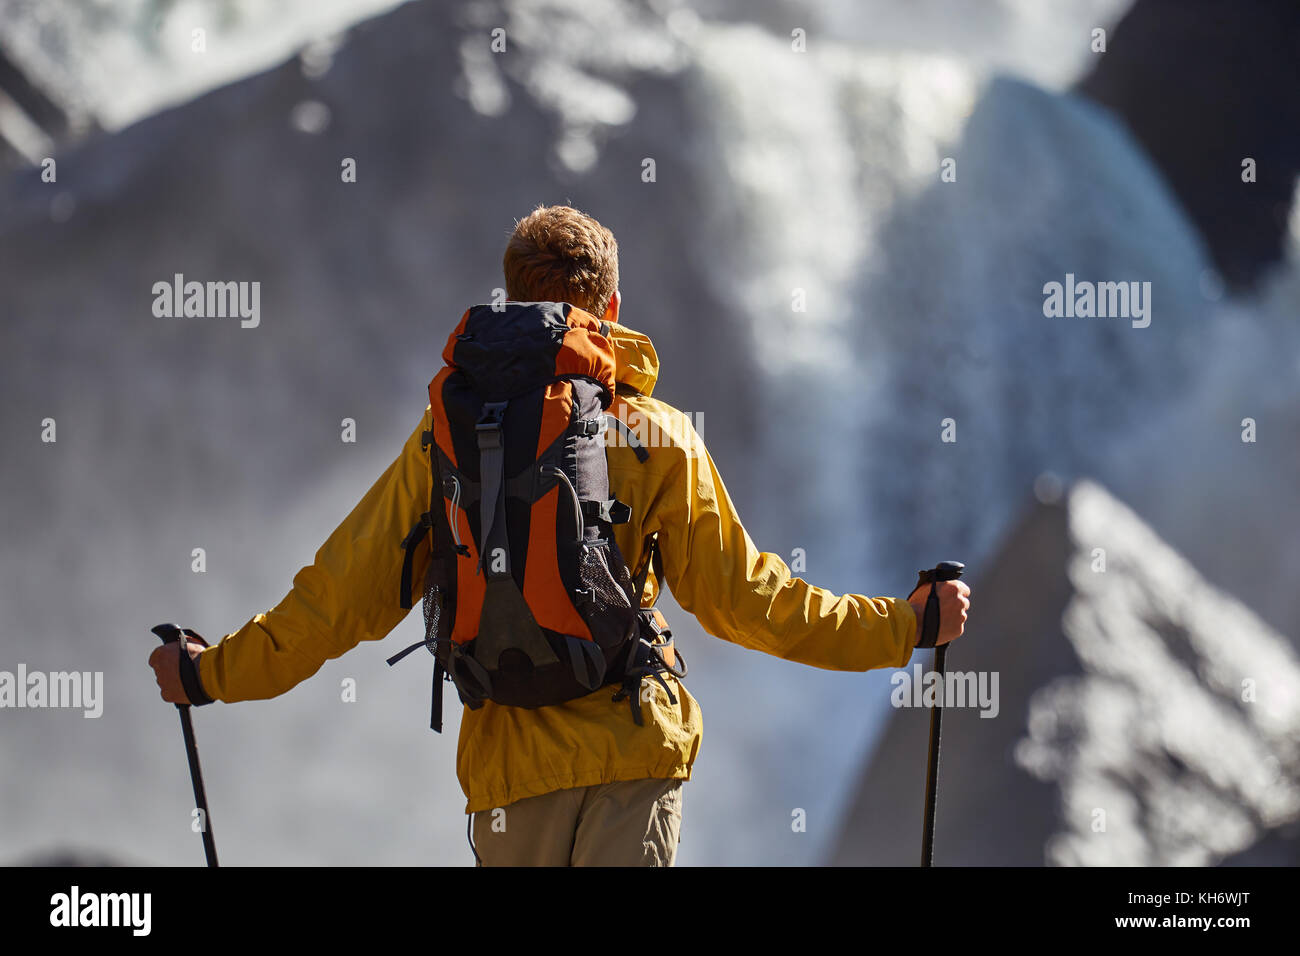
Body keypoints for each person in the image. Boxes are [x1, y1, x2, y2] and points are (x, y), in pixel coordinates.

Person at [148, 204, 971, 866]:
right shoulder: (650, 434)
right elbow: (749, 603)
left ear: (513, 299)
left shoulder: (444, 438)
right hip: (632, 761)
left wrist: (209, 673)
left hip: (510, 780)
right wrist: (907, 625)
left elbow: (334, 601)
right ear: (609, 310)